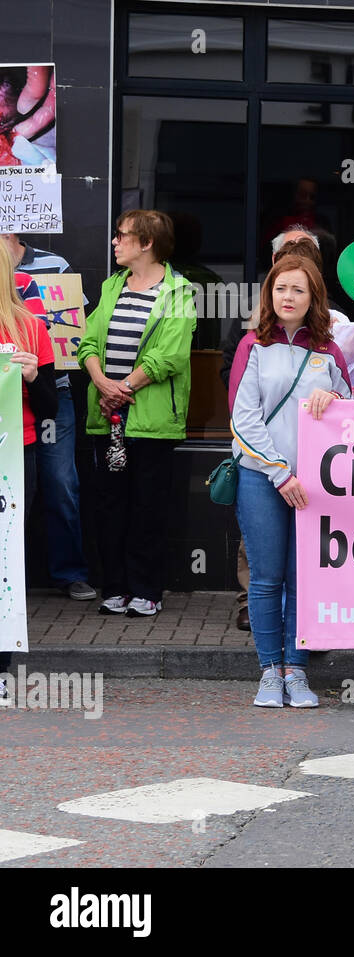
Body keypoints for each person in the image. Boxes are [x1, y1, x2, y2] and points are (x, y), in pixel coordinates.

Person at [228, 254, 351, 708]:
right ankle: (268, 671)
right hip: (263, 477)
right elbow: (243, 421)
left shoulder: (328, 351)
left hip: (315, 482)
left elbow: (350, 408)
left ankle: (296, 671)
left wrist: (335, 395)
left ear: (313, 297)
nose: (288, 297)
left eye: (298, 289)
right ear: (270, 294)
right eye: (281, 288)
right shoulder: (251, 346)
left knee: (304, 579)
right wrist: (281, 473)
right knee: (265, 578)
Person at [77, 210, 196, 619]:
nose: (115, 242)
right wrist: (102, 384)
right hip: (107, 417)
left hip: (151, 421)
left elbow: (171, 355)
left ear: (147, 243)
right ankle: (114, 588)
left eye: (122, 236)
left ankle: (146, 589)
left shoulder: (179, 292)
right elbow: (86, 344)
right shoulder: (112, 286)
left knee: (147, 506)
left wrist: (122, 388)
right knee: (110, 504)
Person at [3, 233, 95, 602]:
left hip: (51, 390)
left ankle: (69, 573)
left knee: (59, 482)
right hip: (9, 403)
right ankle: (12, 579)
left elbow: (77, 326)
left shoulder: (54, 266)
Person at [0, 243, 57, 703]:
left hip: (16, 454)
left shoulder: (31, 326)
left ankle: (1, 668)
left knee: (6, 563)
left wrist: (35, 377)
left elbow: (51, 407)